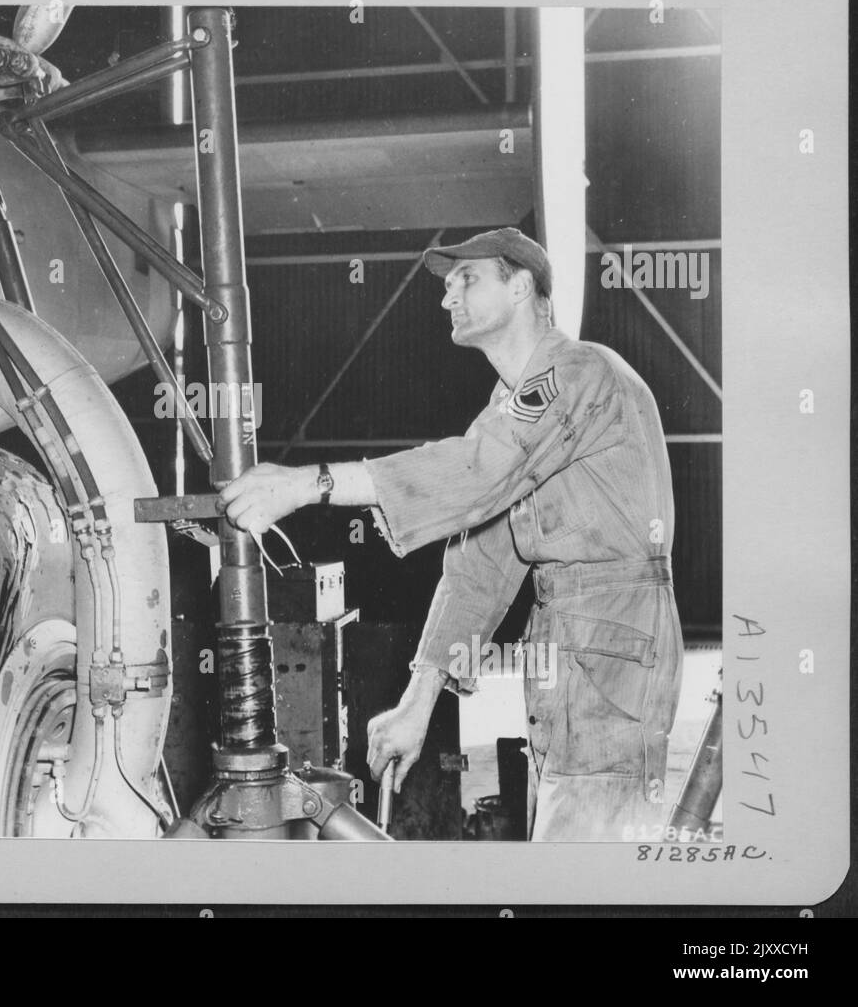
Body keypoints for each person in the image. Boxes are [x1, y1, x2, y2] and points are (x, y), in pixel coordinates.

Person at [220, 227, 683, 841]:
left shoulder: (577, 373)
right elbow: (480, 566)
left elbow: (476, 472)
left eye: (467, 279)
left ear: (521, 286)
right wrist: (418, 703)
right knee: (567, 853)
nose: (447, 297)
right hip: (575, 639)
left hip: (611, 634)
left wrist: (313, 482)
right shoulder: (510, 404)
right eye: (446, 286)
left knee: (588, 865)